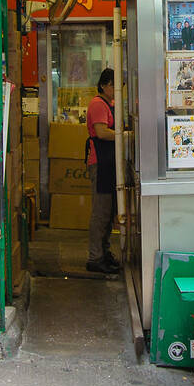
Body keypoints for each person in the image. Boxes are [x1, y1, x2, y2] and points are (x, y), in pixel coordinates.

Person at [84, 68, 120, 275]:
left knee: (108, 212)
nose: (117, 89)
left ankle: (104, 253)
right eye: (114, 85)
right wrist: (124, 135)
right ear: (105, 85)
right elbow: (101, 132)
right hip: (100, 163)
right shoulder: (98, 104)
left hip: (109, 163)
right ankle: (95, 258)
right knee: (101, 212)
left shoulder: (110, 103)